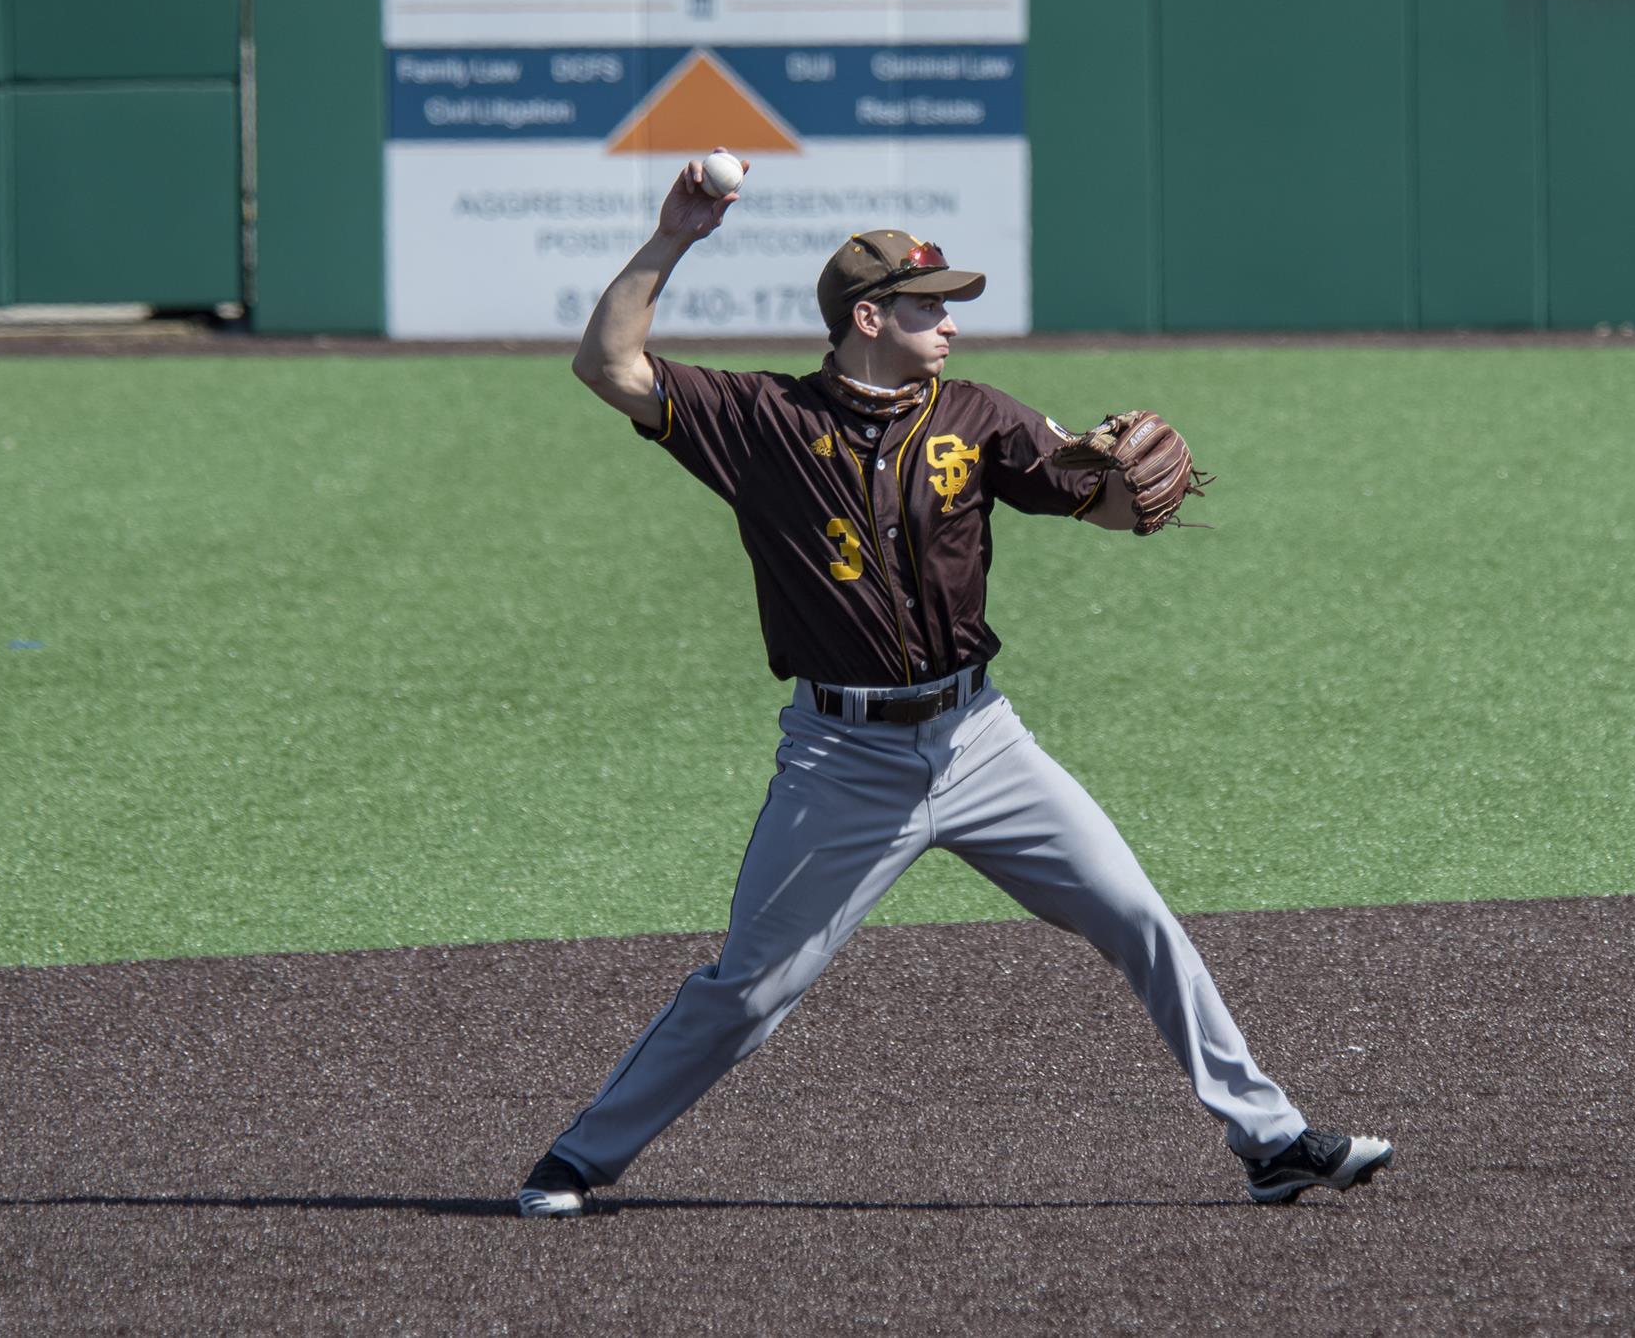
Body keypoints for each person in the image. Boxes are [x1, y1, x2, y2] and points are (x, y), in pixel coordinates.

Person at [516, 154, 1392, 1217]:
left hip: (982, 743)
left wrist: (1122, 484)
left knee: (1137, 916)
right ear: (869, 317)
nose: (952, 324)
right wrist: (674, 237)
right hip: (842, 762)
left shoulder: (977, 417)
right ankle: (578, 1159)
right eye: (930, 306)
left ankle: (1270, 1140)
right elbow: (606, 365)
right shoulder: (759, 423)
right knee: (750, 990)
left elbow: (1101, 506)